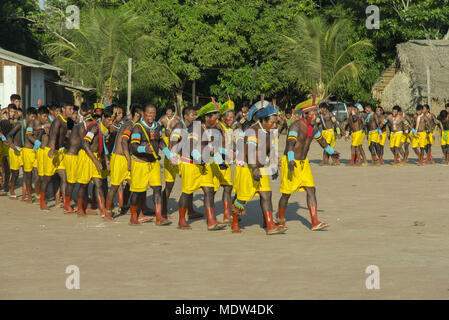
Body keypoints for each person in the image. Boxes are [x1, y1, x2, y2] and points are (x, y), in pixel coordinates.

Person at [277, 101, 338, 231]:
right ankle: (280, 218)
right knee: (286, 194)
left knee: (311, 190)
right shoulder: (295, 126)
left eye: (316, 113)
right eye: (313, 114)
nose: (315, 116)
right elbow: (290, 145)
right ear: (305, 115)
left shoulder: (314, 127)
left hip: (304, 164)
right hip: (290, 161)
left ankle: (315, 221)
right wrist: (291, 160)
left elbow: (321, 140)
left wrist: (331, 152)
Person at [231, 100, 286, 235]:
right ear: (263, 120)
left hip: (260, 167)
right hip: (247, 168)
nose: (274, 125)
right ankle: (234, 223)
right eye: (272, 122)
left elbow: (271, 150)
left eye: (276, 122)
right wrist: (254, 168)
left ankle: (270, 225)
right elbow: (250, 151)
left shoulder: (270, 132)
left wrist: (274, 166)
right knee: (242, 198)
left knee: (266, 194)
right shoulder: (252, 131)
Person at [176, 100, 226, 231]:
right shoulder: (195, 127)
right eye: (213, 119)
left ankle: (211, 221)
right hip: (190, 164)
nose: (216, 121)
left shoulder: (214, 129)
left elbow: (213, 148)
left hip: (204, 164)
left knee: (209, 190)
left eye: (217, 119)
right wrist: (199, 158)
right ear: (206, 117)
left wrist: (220, 161)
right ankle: (181, 220)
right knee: (187, 193)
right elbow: (191, 146)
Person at [128, 103, 175, 225]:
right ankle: (133, 216)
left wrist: (169, 156)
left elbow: (160, 142)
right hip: (140, 163)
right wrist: (144, 150)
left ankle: (159, 217)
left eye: (153, 113)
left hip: (154, 163)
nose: (151, 116)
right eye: (149, 113)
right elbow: (133, 146)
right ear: (144, 114)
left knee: (157, 188)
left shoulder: (157, 126)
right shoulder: (137, 127)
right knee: (137, 192)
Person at [162, 106, 202, 220]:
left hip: (183, 159)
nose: (194, 117)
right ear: (185, 116)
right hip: (172, 159)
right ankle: (163, 211)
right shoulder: (179, 126)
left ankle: (190, 210)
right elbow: (172, 143)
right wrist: (172, 158)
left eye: (195, 115)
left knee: (189, 184)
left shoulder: (192, 126)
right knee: (169, 186)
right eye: (192, 115)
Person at [105, 104, 142, 219]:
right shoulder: (129, 125)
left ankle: (136, 212)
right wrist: (128, 159)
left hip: (126, 158)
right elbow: (124, 142)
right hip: (119, 159)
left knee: (135, 186)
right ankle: (107, 212)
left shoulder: (133, 124)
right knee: (114, 187)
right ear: (137, 114)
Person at [77, 107, 113, 219]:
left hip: (96, 157)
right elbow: (85, 143)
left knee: (99, 184)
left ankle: (103, 211)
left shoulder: (106, 129)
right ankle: (79, 208)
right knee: (84, 184)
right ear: (103, 118)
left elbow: (103, 146)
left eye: (112, 120)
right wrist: (95, 160)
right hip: (87, 157)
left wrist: (106, 160)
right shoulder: (94, 128)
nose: (111, 122)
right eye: (109, 120)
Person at [40, 103, 73, 211]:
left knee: (65, 177)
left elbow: (63, 137)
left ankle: (66, 203)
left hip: (60, 153)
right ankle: (42, 202)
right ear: (63, 109)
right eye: (69, 109)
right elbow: (53, 135)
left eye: (72, 109)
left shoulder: (66, 121)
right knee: (47, 178)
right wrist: (52, 149)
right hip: (51, 151)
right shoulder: (57, 121)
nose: (71, 111)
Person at [64, 102, 96, 214]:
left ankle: (83, 205)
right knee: (72, 183)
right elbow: (84, 143)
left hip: (77, 156)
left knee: (84, 181)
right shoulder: (80, 125)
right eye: (89, 114)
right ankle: (67, 205)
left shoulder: (82, 124)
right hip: (72, 156)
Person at [211, 99, 235, 224]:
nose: (232, 119)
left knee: (228, 187)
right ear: (224, 118)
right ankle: (211, 216)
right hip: (217, 162)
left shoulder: (228, 128)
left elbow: (232, 144)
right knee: (212, 190)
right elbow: (215, 147)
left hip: (226, 163)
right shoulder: (217, 128)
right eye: (230, 117)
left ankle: (226, 215)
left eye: (233, 117)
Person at [22, 107, 45, 203]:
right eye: (32, 117)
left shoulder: (40, 124)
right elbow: (28, 135)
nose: (33, 119)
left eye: (34, 117)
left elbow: (39, 136)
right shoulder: (30, 123)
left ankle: (37, 195)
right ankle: (29, 195)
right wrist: (36, 142)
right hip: (27, 150)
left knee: (37, 174)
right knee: (28, 175)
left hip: (36, 151)